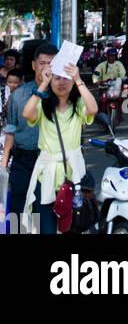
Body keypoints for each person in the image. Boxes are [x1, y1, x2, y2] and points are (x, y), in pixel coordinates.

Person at [21, 59, 98, 235]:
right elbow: (27, 113)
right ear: (51, 80)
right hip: (45, 178)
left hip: (72, 179)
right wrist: (43, 84)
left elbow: (93, 109)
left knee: (72, 228)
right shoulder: (43, 105)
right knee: (47, 230)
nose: (61, 83)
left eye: (66, 78)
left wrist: (78, 79)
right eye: (56, 78)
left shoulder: (78, 105)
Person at [1, 43, 57, 232]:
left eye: (51, 63)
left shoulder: (62, 95)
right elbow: (10, 131)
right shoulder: (19, 95)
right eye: (42, 63)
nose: (46, 68)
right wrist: (3, 167)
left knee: (45, 216)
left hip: (50, 163)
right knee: (18, 217)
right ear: (33, 65)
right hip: (23, 161)